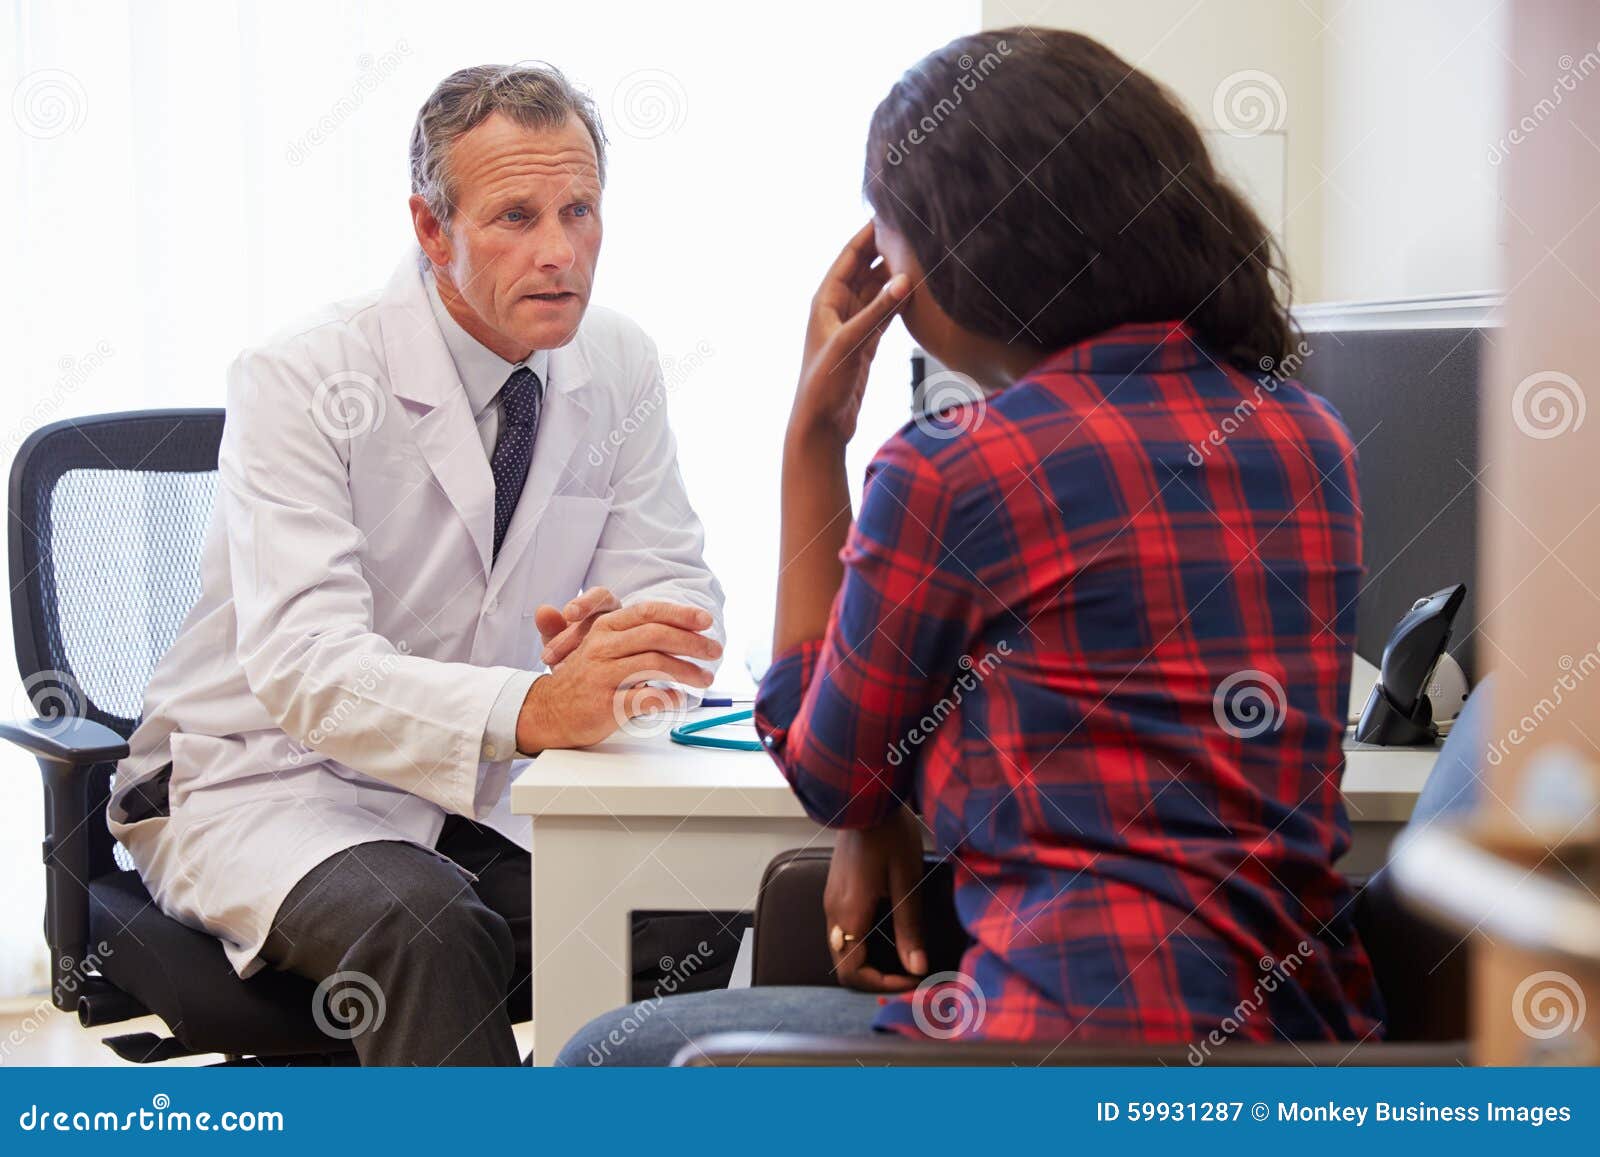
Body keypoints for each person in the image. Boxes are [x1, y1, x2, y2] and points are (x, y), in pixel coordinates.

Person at [559, 27, 1384, 1065]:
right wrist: (882, 807)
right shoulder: (1307, 436)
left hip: (1065, 1047)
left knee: (609, 1050)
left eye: (890, 237)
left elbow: (829, 771)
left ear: (947, 257)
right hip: (1306, 1042)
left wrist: (811, 441)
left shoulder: (958, 467)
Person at [109, 63, 725, 1066]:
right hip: (268, 780)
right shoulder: (305, 375)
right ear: (430, 228)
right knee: (427, 931)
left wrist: (625, 646)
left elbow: (674, 581)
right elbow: (307, 665)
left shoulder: (618, 360)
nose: (560, 251)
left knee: (679, 907)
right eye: (515, 216)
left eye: (579, 210)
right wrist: (529, 708)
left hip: (480, 789)